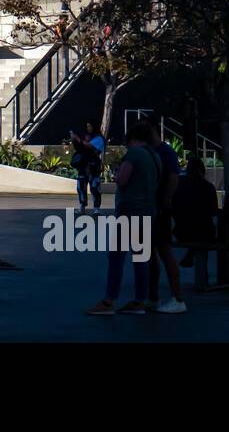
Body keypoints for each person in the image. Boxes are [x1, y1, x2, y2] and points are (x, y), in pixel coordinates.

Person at [87, 121, 160, 316]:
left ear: (131, 138)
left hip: (129, 211)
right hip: (147, 211)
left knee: (117, 256)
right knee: (141, 258)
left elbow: (121, 179)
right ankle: (139, 301)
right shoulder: (155, 156)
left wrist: (119, 170)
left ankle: (109, 300)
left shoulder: (134, 154)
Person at [147, 123, 186, 314]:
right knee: (151, 253)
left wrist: (164, 201)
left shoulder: (165, 152)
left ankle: (177, 297)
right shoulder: (154, 151)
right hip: (152, 208)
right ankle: (153, 296)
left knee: (164, 251)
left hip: (159, 209)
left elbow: (173, 178)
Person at [171, 156, 218, 268]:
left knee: (197, 232)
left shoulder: (179, 186)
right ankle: (196, 262)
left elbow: (174, 209)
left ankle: (191, 254)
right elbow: (214, 211)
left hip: (182, 232)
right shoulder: (208, 187)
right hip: (204, 232)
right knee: (202, 233)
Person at [69, 121, 105, 213]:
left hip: (93, 165)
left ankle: (96, 208)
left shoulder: (99, 138)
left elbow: (89, 145)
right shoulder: (85, 136)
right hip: (82, 165)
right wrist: (74, 139)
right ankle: (82, 206)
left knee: (95, 186)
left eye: (90, 126)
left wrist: (78, 138)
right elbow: (80, 147)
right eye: (87, 126)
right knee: (81, 187)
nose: (88, 128)